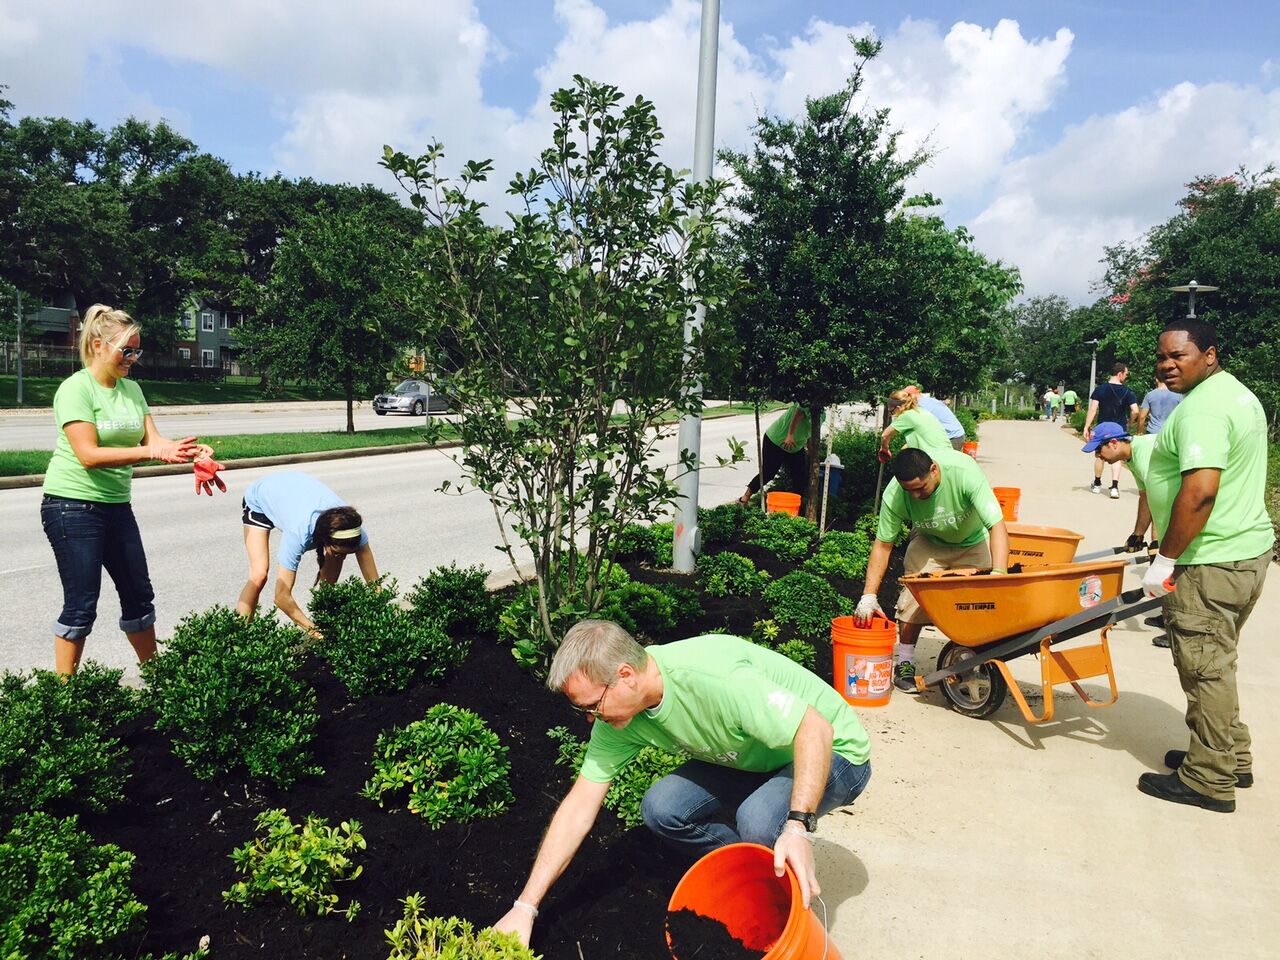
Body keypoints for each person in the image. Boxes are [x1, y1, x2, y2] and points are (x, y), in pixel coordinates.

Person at [492, 620, 871, 947]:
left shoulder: (713, 678)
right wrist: (525, 907)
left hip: (834, 750)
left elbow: (814, 729)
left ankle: (782, 917)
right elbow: (579, 806)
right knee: (664, 808)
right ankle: (756, 877)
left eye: (593, 706)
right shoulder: (618, 718)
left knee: (758, 820)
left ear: (625, 675)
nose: (591, 718)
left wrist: (797, 827)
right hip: (754, 756)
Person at [1135, 319, 1272, 814]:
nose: (1167, 366)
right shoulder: (1237, 394)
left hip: (1211, 559)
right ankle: (1230, 757)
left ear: (1209, 354)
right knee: (1218, 663)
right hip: (1244, 552)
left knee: (1204, 670)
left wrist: (1165, 559)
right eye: (1161, 357)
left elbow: (1200, 492)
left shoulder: (1203, 410)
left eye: (1179, 356)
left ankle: (1209, 778)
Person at [40, 304, 207, 675]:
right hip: (71, 506)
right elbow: (88, 455)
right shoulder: (76, 389)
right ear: (98, 346)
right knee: (82, 604)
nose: (133, 358)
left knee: (138, 595)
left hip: (117, 506)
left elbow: (156, 442)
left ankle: (158, 681)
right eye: (126, 350)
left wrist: (195, 453)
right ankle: (62, 697)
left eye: (136, 350)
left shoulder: (132, 390)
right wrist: (151, 452)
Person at [855, 447, 1009, 692]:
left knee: (977, 605)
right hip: (928, 541)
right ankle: (905, 662)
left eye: (920, 488)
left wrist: (999, 575)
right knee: (912, 598)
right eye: (909, 490)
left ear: (934, 470)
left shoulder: (964, 472)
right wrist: (869, 595)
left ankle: (972, 659)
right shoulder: (895, 494)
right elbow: (883, 545)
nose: (915, 496)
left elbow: (996, 525)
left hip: (972, 541)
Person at [236, 471, 379, 636]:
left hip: (295, 493)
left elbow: (376, 586)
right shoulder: (299, 533)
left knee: (334, 558)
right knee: (259, 575)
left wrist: (381, 612)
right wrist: (317, 634)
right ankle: (239, 636)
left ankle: (323, 615)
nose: (343, 557)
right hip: (261, 497)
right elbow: (281, 597)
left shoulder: (353, 529)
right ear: (324, 539)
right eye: (339, 552)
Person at [1083, 421, 1168, 646]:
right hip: (1167, 508)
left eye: (1099, 450)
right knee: (1162, 565)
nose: (1098, 457)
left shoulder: (1145, 455)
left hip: (1183, 511)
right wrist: (1138, 534)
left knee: (1174, 570)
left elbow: (1163, 498)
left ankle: (1176, 628)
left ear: (1113, 443)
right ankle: (1168, 614)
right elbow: (1147, 496)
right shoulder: (1133, 458)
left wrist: (1158, 541)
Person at [737, 403, 821, 506]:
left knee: (800, 476)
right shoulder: (807, 402)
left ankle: (795, 506)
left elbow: (811, 431)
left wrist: (812, 452)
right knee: (768, 472)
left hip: (795, 447)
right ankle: (745, 498)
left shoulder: (821, 413)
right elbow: (798, 414)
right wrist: (790, 435)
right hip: (776, 440)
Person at [1082, 362, 1139, 498]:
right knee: (1116, 457)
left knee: (1100, 455)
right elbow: (1136, 411)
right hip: (1119, 429)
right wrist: (1130, 422)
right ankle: (1114, 487)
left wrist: (1087, 426)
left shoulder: (1100, 389)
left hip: (1102, 428)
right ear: (1120, 374)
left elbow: (1093, 409)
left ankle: (1097, 484)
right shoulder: (1128, 391)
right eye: (1126, 374)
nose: (1126, 376)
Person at [879, 389, 952, 461]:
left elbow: (885, 435)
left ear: (898, 408)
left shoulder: (906, 416)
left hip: (935, 459)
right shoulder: (922, 411)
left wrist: (884, 449)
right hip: (950, 456)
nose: (893, 415)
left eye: (892, 412)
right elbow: (925, 436)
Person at [903, 385, 965, 450]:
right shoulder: (928, 400)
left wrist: (909, 444)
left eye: (906, 397)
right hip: (957, 434)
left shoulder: (921, 405)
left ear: (912, 395)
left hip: (952, 437)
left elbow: (922, 428)